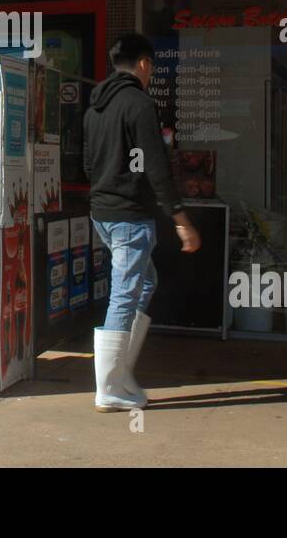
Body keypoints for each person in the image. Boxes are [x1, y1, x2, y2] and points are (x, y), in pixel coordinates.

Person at [83, 33, 201, 412]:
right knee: (125, 294)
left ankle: (121, 373)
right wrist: (180, 218)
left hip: (102, 211)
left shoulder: (94, 108)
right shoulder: (140, 104)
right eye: (152, 68)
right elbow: (157, 165)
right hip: (129, 215)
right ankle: (110, 387)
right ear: (144, 64)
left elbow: (89, 163)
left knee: (143, 281)